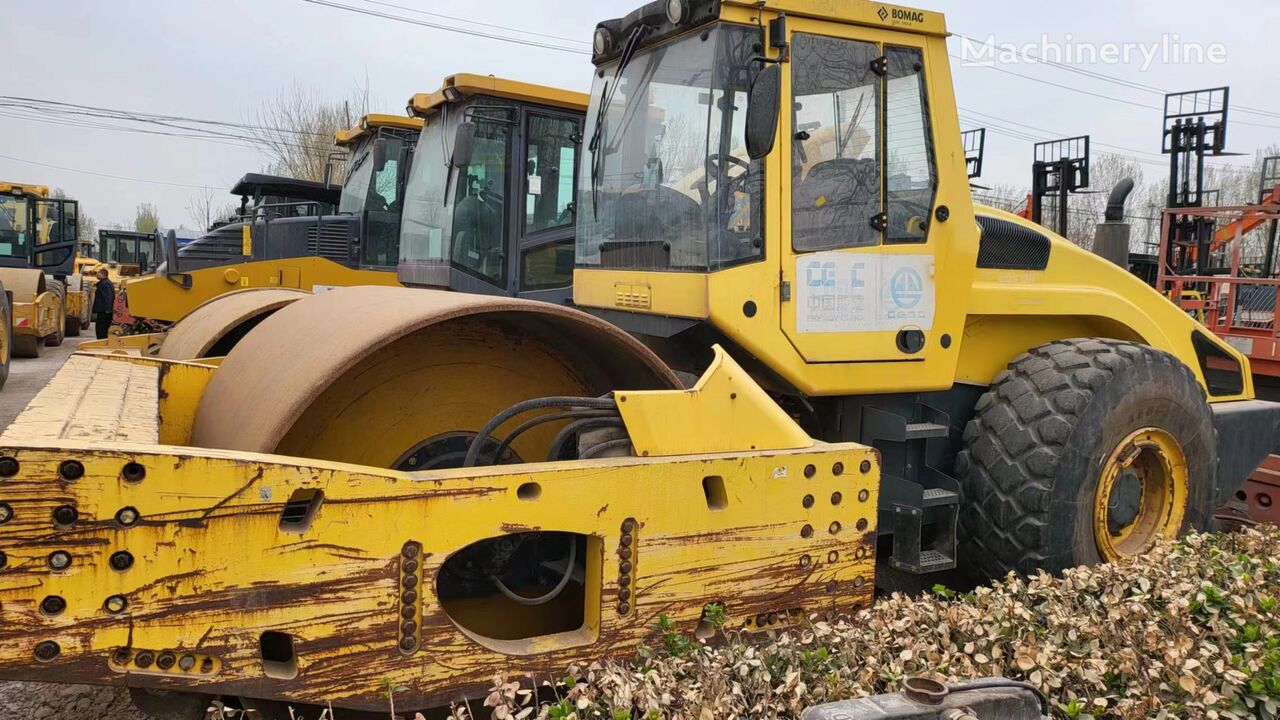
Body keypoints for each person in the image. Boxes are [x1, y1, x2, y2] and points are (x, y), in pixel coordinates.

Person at [92, 268, 115, 340]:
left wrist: (108, 309)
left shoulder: (105, 284)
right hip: (104, 310)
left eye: (98, 273)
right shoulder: (105, 283)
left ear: (102, 274)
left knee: (101, 328)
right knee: (101, 327)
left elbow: (108, 296)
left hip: (104, 311)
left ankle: (102, 341)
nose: (96, 274)